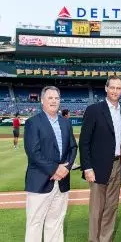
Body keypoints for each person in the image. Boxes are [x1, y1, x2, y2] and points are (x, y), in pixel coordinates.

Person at [24, 86, 77, 242]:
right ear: (42, 100)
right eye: (50, 98)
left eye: (56, 98)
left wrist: (66, 168)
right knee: (35, 223)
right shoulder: (33, 123)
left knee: (56, 222)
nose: (54, 101)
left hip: (62, 181)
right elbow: (33, 152)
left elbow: (73, 148)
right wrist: (55, 169)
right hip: (40, 181)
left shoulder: (65, 123)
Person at [79, 75, 121, 242]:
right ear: (106, 88)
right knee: (96, 209)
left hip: (117, 165)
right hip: (97, 167)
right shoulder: (94, 110)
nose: (115, 91)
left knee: (111, 208)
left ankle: (105, 239)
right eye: (112, 87)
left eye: (118, 88)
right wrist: (87, 167)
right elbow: (84, 141)